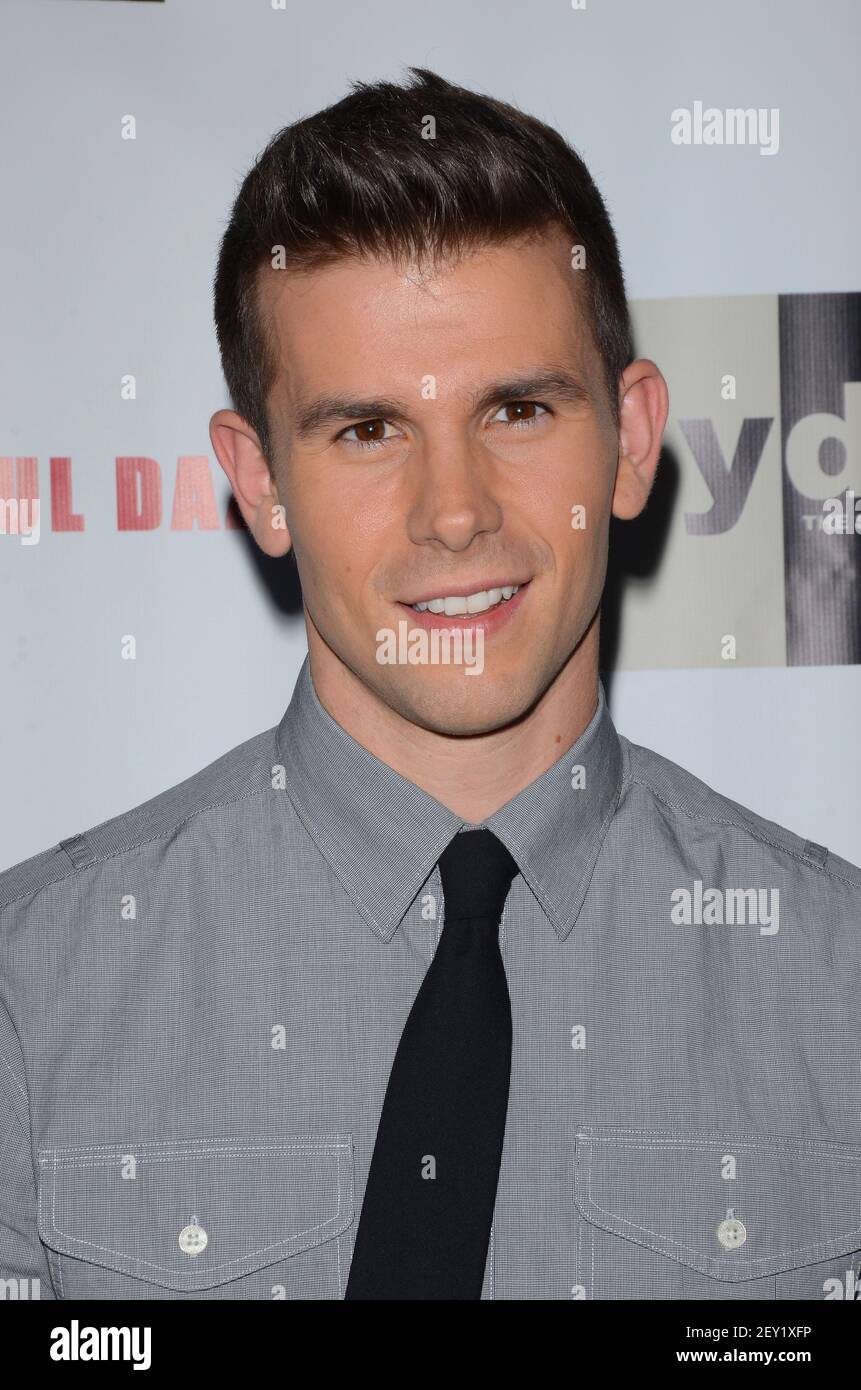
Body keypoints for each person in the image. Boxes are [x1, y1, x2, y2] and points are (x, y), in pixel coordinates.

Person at [2, 67, 860, 1303]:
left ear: (628, 440)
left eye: (515, 408)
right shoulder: (31, 999)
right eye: (367, 430)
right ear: (257, 483)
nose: (453, 512)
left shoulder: (835, 986)